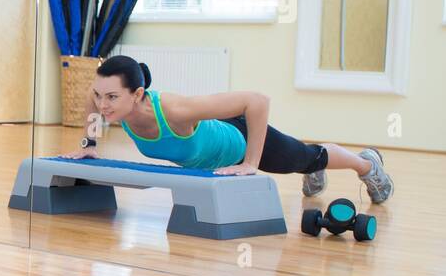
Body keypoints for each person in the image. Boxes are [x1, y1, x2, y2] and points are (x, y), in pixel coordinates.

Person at [68, 54, 393, 199]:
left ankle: (367, 164)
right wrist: (90, 145)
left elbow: (258, 101)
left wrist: (250, 163)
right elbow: (90, 99)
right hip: (214, 142)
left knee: (308, 157)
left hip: (238, 140)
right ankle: (313, 166)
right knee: (303, 157)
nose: (102, 104)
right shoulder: (105, 101)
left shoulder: (175, 109)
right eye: (100, 95)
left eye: (112, 96)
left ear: (137, 94)